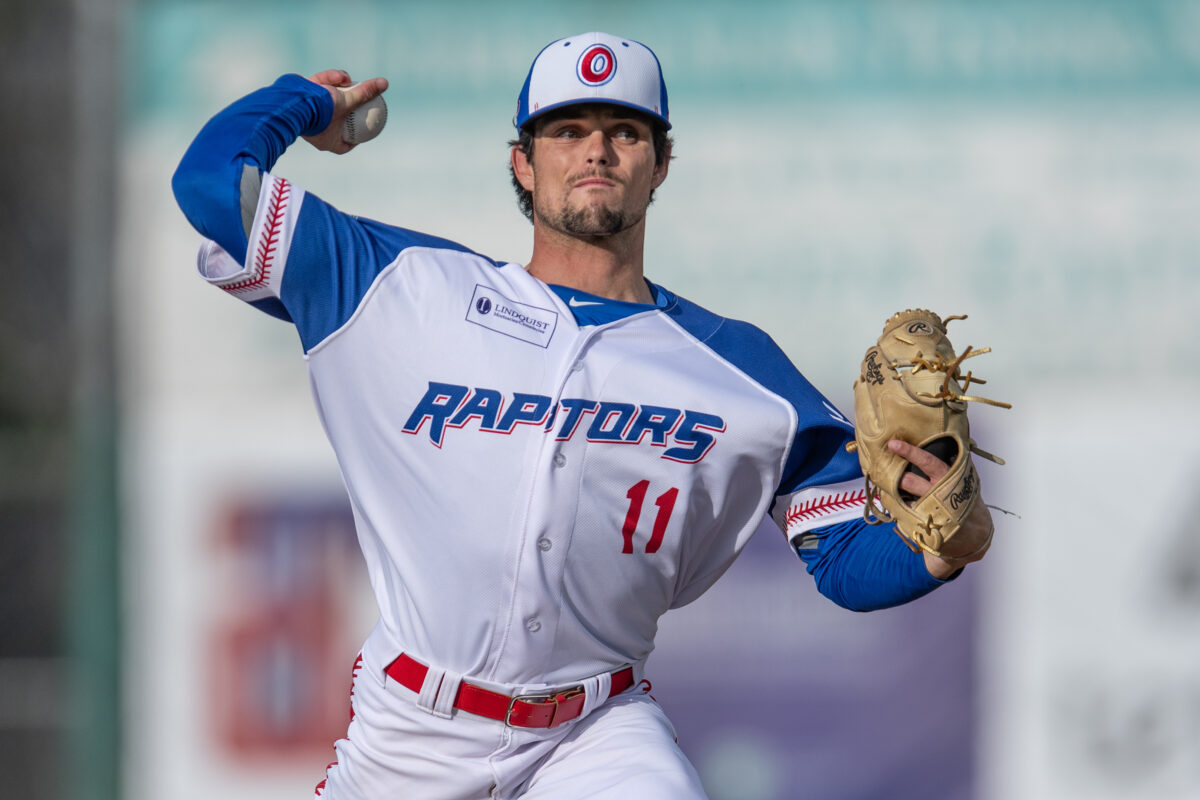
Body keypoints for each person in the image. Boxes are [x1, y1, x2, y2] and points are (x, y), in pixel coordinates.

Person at [172, 31, 994, 800]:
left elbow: (848, 559)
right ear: (523, 163)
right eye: (566, 130)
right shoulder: (397, 285)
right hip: (408, 737)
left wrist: (943, 550)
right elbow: (209, 183)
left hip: (595, 736)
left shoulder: (744, 373)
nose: (595, 149)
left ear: (661, 164)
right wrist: (305, 104)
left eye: (624, 132)